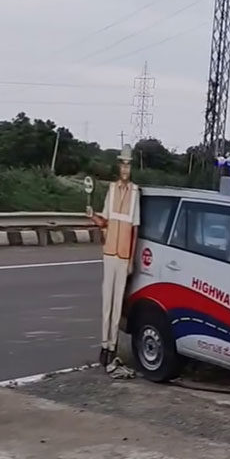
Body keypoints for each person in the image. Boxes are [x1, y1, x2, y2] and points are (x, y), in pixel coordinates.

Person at [89, 144, 141, 373]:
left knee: (118, 303)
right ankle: (103, 345)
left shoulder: (135, 192)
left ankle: (113, 346)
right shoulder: (111, 189)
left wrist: (130, 259)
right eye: (123, 164)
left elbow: (135, 228)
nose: (125, 169)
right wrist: (93, 217)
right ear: (118, 166)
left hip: (123, 255)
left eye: (129, 165)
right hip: (109, 252)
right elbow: (105, 221)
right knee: (106, 303)